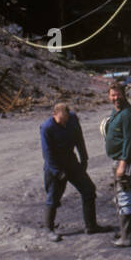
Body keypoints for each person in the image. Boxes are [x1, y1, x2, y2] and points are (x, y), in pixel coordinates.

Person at [39, 102, 100, 241]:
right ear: (54, 115)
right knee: (53, 197)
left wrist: (84, 159)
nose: (63, 122)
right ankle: (48, 229)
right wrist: (57, 172)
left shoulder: (73, 119)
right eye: (61, 120)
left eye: (65, 119)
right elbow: (47, 154)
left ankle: (91, 225)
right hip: (55, 165)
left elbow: (79, 139)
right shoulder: (46, 127)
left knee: (89, 189)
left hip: (71, 161)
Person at [104, 80, 131, 246]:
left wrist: (123, 164)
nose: (115, 98)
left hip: (127, 161)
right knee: (123, 196)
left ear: (124, 94)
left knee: (123, 197)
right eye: (113, 95)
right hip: (119, 159)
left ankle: (127, 237)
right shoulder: (116, 111)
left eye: (118, 94)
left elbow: (130, 141)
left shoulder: (127, 114)